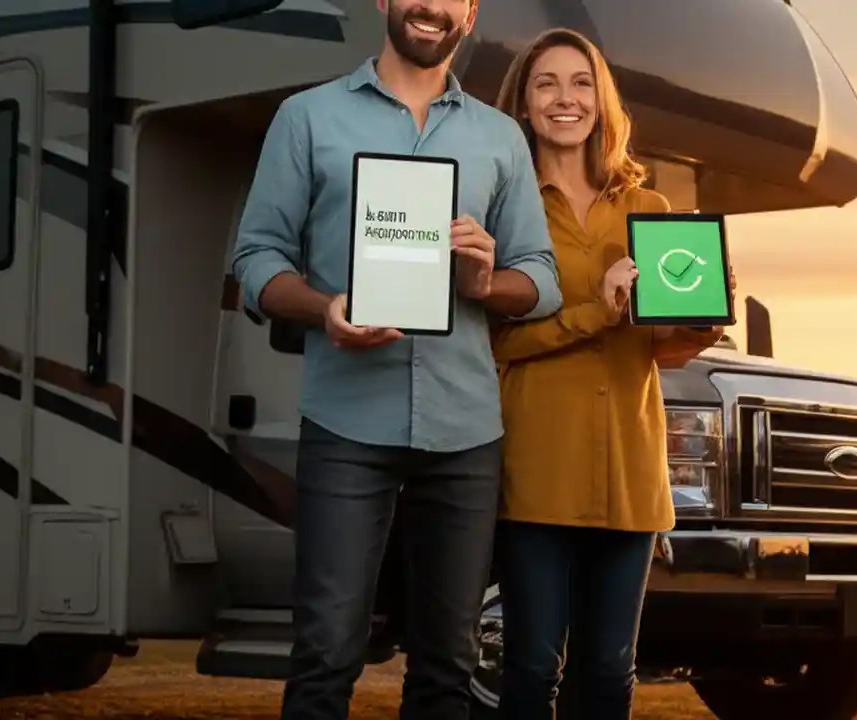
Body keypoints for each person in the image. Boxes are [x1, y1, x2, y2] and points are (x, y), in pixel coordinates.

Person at [230, 1, 564, 718]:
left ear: (470, 13)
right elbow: (256, 258)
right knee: (325, 653)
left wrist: (485, 281)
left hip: (466, 432)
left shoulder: (500, 137)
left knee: (448, 661)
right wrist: (323, 308)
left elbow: (542, 279)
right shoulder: (308, 118)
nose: (430, 6)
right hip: (346, 423)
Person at [490, 28, 736, 720]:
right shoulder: (505, 208)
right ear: (524, 103)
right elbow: (497, 345)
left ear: (602, 102)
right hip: (538, 472)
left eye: (580, 83)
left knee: (609, 673)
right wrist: (594, 313)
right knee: (533, 666)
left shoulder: (650, 211)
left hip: (630, 475)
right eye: (546, 84)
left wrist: (701, 323)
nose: (565, 99)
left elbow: (655, 351)